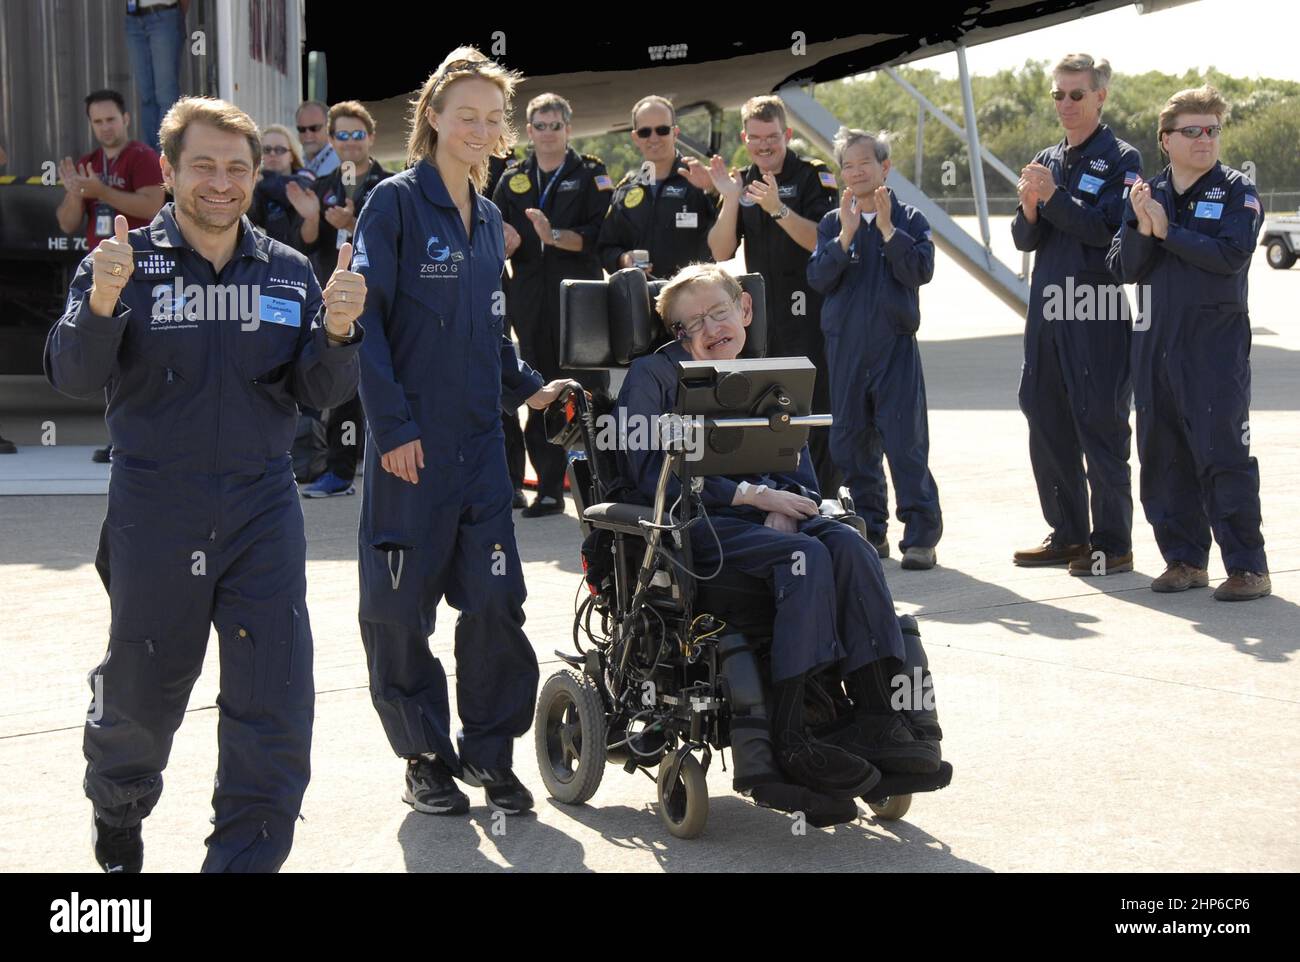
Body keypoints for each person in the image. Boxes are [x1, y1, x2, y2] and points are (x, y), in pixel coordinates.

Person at [45, 96, 365, 872]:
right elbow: (70, 375)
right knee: (144, 692)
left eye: (236, 167)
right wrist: (99, 302)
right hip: (157, 509)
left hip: (263, 507)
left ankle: (245, 861)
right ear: (169, 170)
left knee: (275, 701)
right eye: (203, 166)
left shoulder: (288, 271)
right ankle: (118, 809)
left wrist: (338, 333)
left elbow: (316, 394)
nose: (220, 182)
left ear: (257, 175)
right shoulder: (123, 260)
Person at [614, 264, 941, 800]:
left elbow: (801, 475)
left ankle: (881, 717)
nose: (709, 328)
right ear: (675, 335)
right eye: (690, 323)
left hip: (773, 523)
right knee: (803, 561)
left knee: (852, 547)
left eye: (719, 312)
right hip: (697, 528)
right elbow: (647, 475)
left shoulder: (771, 376)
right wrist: (747, 495)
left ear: (744, 310)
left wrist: (791, 507)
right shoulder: (652, 377)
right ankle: (794, 734)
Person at [350, 48, 571, 816]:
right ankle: (422, 754)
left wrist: (532, 387)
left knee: (493, 605)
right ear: (434, 118)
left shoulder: (488, 223)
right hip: (411, 452)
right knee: (398, 612)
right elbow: (367, 325)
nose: (480, 129)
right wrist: (392, 428)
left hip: (483, 453)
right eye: (466, 115)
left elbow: (493, 331)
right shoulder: (395, 204)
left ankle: (488, 753)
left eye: (491, 118)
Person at [1107, 85, 1270, 602]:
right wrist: (1142, 225)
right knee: (1163, 456)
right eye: (1192, 131)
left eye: (1213, 130)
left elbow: (1230, 255)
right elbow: (1121, 267)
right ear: (1166, 139)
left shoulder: (1237, 191)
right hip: (1153, 345)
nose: (1205, 140)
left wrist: (1166, 233)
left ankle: (1248, 567)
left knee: (1224, 454)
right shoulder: (1145, 193)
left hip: (1212, 350)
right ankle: (1184, 560)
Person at [1011, 54, 1142, 577]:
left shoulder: (1123, 160)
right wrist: (1029, 206)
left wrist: (1053, 197)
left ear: (1100, 97)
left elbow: (1108, 232)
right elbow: (1027, 238)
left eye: (1076, 95)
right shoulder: (1048, 158)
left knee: (1100, 422)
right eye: (1058, 95)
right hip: (1048, 310)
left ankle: (1113, 542)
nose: (1065, 104)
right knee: (1043, 414)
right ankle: (1068, 534)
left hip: (1097, 310)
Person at [807, 128, 942, 569]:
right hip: (845, 350)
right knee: (851, 444)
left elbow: (919, 271)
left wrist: (886, 231)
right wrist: (846, 237)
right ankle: (871, 530)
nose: (855, 171)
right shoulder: (832, 223)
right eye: (847, 165)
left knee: (905, 443)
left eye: (864, 162)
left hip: (894, 348)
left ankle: (920, 537)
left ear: (885, 167)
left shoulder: (911, 220)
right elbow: (819, 279)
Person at [706, 94, 843, 501]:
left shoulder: (813, 177)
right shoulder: (742, 181)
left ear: (787, 134)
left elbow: (824, 239)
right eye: (755, 138)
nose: (764, 146)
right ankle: (784, 499)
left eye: (772, 137)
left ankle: (829, 501)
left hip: (810, 318)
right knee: (771, 418)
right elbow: (719, 251)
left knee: (816, 416)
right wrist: (730, 197)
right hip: (762, 323)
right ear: (744, 138)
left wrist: (778, 208)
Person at [492, 93, 613, 518]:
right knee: (539, 391)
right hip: (528, 298)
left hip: (579, 300)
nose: (547, 134)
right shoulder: (514, 178)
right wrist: (509, 238)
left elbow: (600, 234)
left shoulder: (591, 174)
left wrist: (554, 236)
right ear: (529, 131)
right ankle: (546, 487)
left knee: (586, 392)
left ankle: (599, 482)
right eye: (539, 126)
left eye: (554, 126)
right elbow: (500, 230)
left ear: (568, 128)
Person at [57, 88, 167, 464]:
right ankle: (120, 438)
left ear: (126, 119)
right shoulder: (89, 162)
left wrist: (102, 190)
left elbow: (153, 205)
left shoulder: (143, 157)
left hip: (141, 272)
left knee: (142, 356)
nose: (105, 127)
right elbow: (69, 222)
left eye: (111, 119)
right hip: (100, 274)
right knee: (109, 359)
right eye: (97, 121)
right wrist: (75, 193)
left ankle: (146, 437)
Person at [300, 101, 392, 498]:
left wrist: (354, 224)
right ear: (331, 140)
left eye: (358, 134)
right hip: (336, 304)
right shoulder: (322, 186)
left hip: (381, 302)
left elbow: (396, 243)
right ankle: (339, 473)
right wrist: (310, 216)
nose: (351, 143)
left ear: (371, 137)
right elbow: (308, 243)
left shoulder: (392, 187)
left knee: (385, 385)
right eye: (342, 135)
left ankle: (395, 473)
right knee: (342, 391)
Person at [596, 95, 717, 280]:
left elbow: (725, 245)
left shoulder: (701, 182)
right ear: (635, 137)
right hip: (639, 299)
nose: (654, 138)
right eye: (645, 132)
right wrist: (623, 259)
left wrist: (714, 190)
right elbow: (606, 247)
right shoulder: (625, 190)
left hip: (691, 298)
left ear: (675, 133)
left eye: (662, 130)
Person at [123, 0, 187, 153]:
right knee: (147, 97)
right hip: (133, 18)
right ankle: (151, 158)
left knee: (166, 95)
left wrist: (178, 16)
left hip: (164, 14)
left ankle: (167, 154)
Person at [247, 123, 316, 252]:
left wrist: (261, 181)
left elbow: (289, 189)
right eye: (266, 150)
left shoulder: (306, 177)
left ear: (291, 155)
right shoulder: (258, 187)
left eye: (279, 150)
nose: (272, 154)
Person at [295, 100, 341, 178]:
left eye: (314, 128)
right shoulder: (295, 160)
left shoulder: (342, 163)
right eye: (302, 129)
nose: (308, 134)